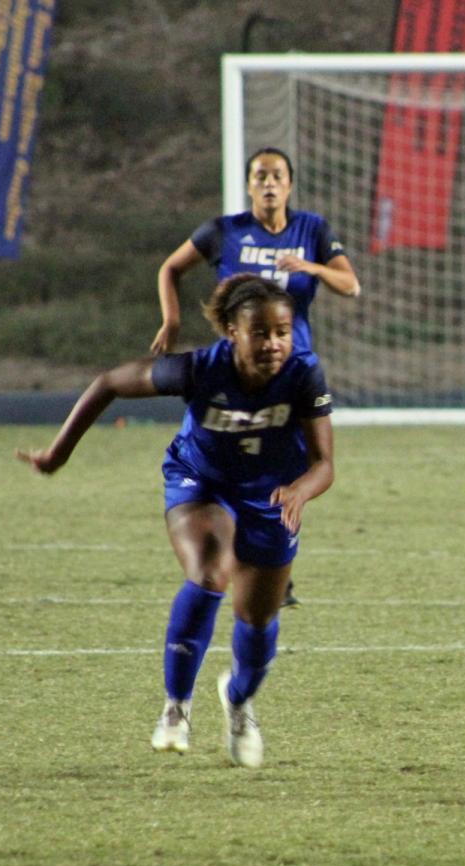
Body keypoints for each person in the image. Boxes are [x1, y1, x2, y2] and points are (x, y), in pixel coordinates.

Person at [19, 274, 336, 769]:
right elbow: (109, 384)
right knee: (210, 571)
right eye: (260, 333)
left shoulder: (303, 374)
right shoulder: (198, 370)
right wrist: (58, 454)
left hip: (270, 496)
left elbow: (325, 464)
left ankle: (239, 700)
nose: (273, 343)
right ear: (232, 331)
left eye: (283, 332)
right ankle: (176, 706)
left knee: (257, 623)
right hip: (200, 481)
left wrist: (299, 490)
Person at [153, 146, 358, 607]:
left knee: (290, 472)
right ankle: (239, 561)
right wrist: (170, 319)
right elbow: (171, 268)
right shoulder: (225, 232)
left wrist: (313, 267)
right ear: (248, 185)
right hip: (236, 376)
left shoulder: (313, 230)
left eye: (277, 175)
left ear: (289, 185)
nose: (268, 183)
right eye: (260, 175)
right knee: (227, 462)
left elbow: (351, 285)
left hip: (293, 381)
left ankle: (273, 572)